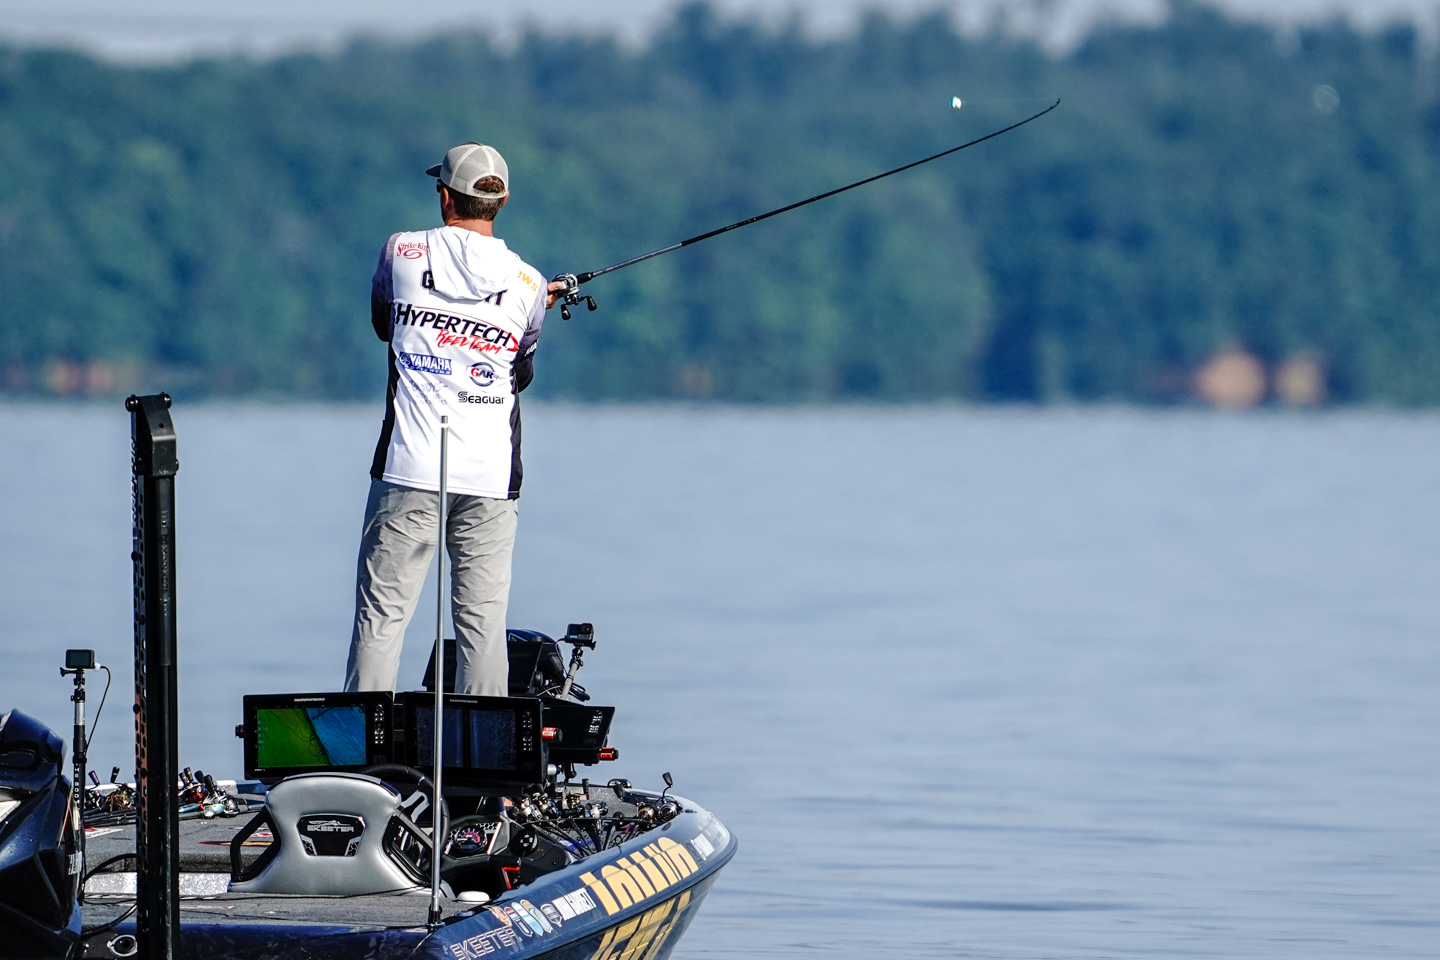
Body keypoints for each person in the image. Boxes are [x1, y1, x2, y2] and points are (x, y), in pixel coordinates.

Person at [344, 142, 564, 696]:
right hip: (490, 478)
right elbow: (519, 373)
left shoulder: (401, 252)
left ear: (445, 196)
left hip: (408, 467)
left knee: (382, 620)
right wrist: (530, 305)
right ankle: (484, 772)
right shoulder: (528, 284)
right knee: (482, 628)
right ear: (502, 201)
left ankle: (359, 771)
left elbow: (382, 323)